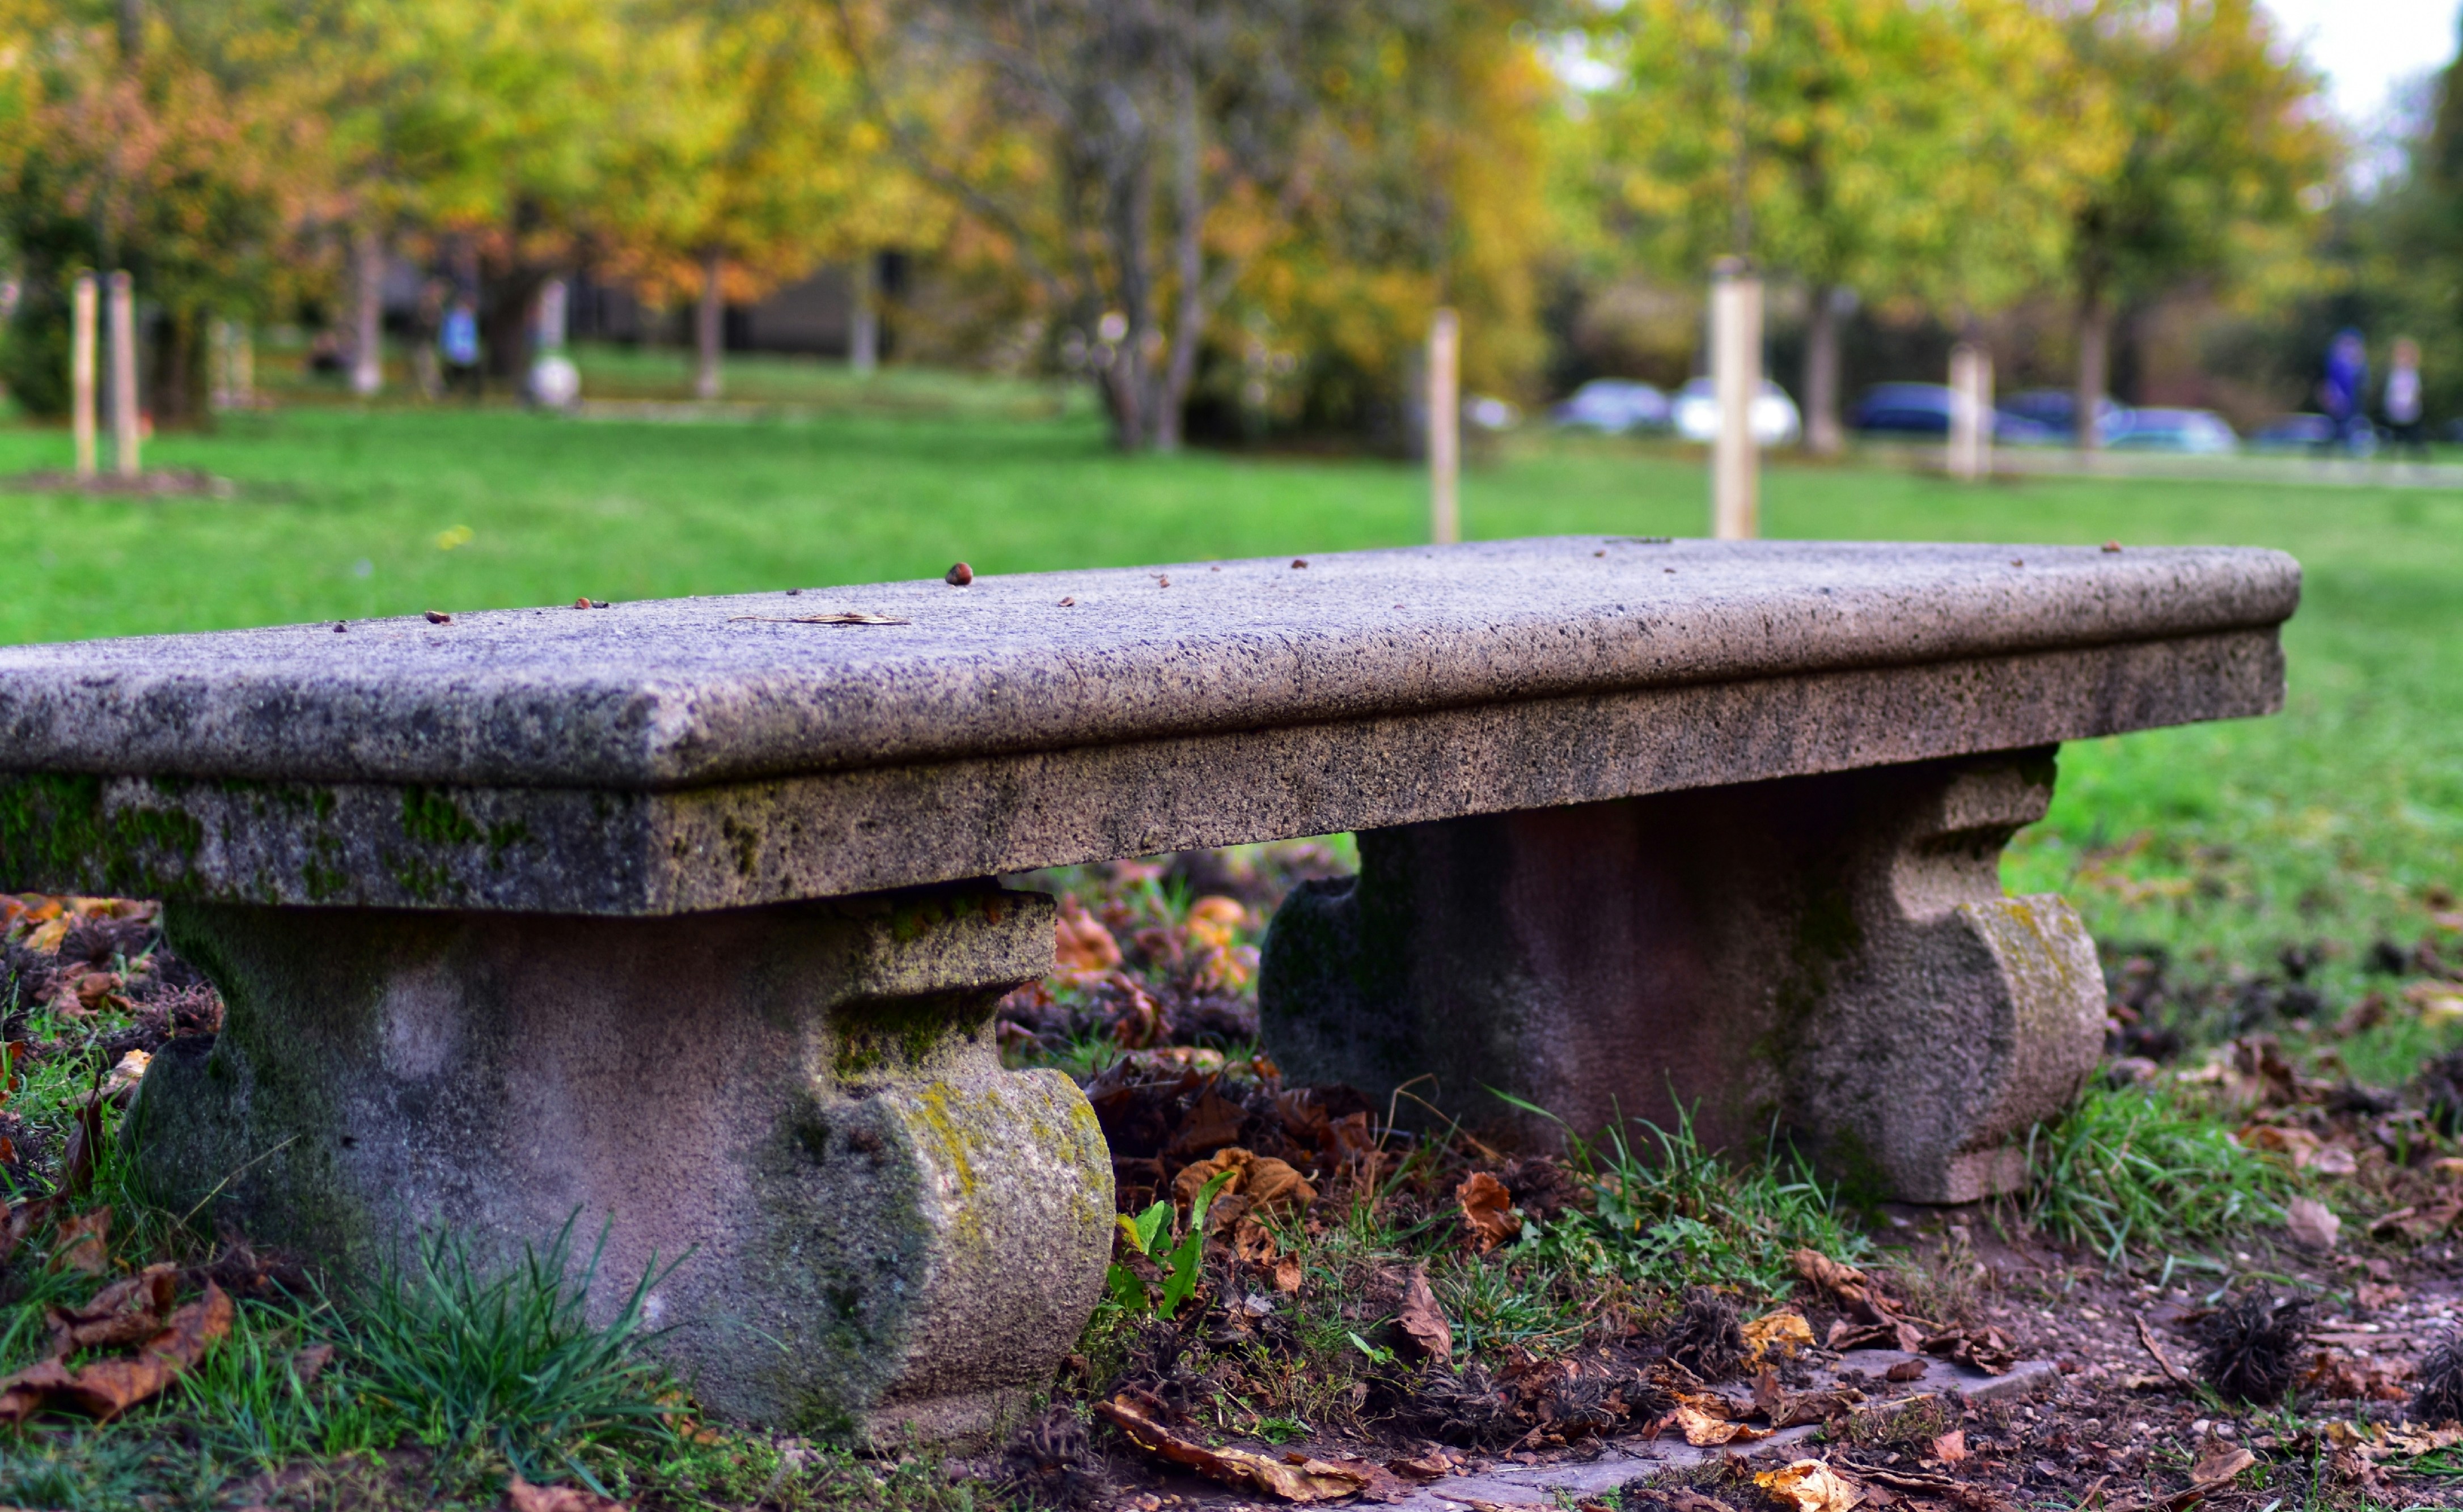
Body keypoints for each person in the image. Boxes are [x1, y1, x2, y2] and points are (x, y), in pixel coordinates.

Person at [2320, 329, 2369, 452]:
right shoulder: (2335, 362)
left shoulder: (2358, 363)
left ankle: (2348, 448)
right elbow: (2332, 382)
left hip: (2354, 401)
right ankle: (2330, 448)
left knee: (2351, 426)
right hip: (2338, 400)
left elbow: (2362, 383)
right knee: (2336, 427)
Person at [2384, 337, 2428, 460]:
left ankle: (2418, 452)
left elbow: (2416, 391)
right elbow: (2390, 391)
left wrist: (2411, 402)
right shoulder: (2394, 373)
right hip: (2396, 408)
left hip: (2410, 409)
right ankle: (2395, 452)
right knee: (2396, 434)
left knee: (2413, 433)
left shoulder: (2413, 374)